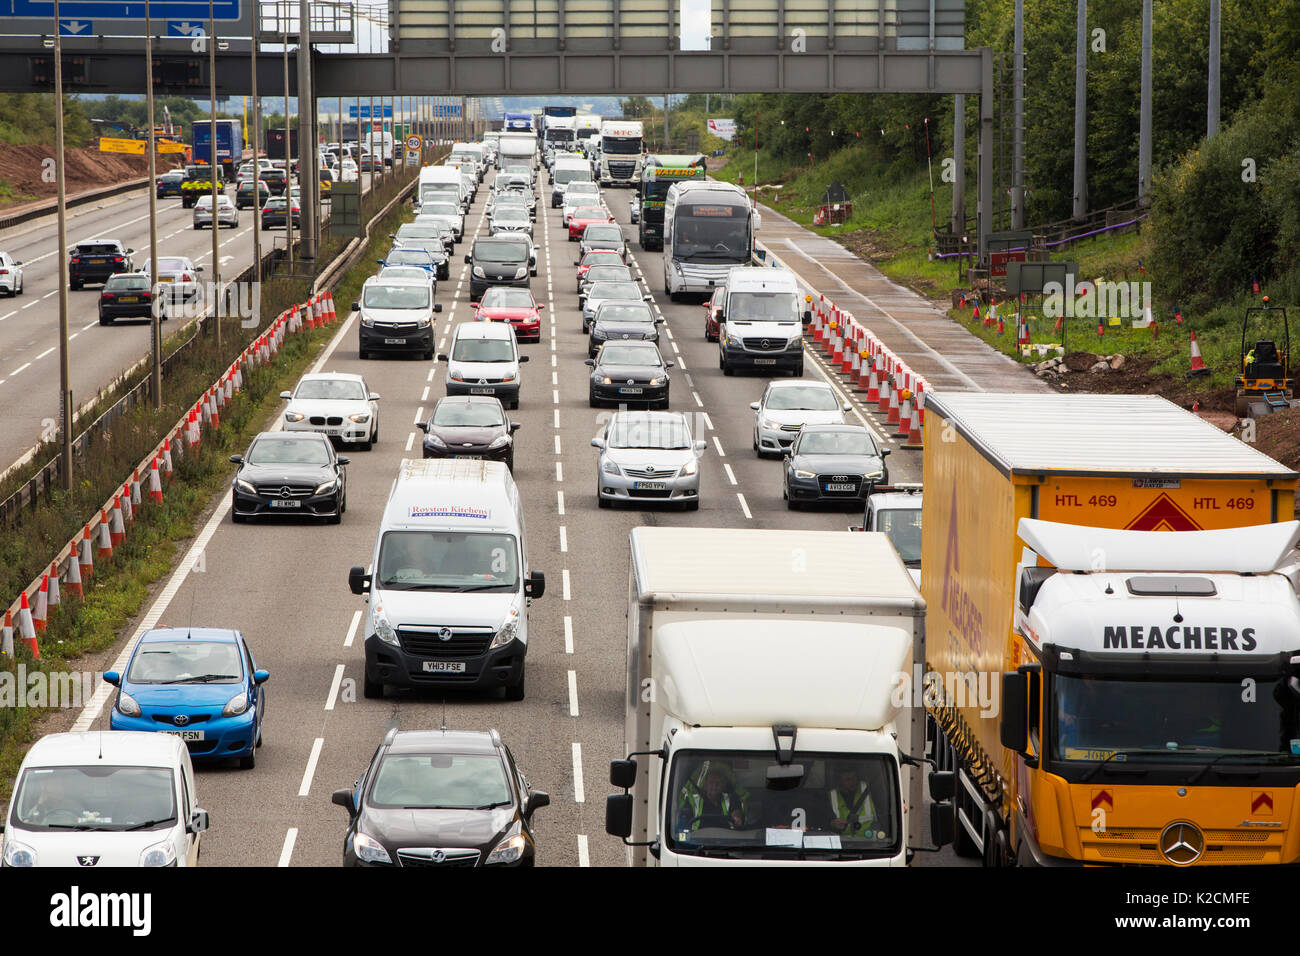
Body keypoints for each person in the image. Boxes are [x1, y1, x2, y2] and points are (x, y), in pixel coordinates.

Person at [677, 763, 746, 832]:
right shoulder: (692, 800)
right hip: (698, 839)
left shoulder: (731, 799)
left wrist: (737, 817)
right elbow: (684, 820)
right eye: (711, 782)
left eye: (718, 783)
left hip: (725, 838)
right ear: (705, 785)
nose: (714, 786)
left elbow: (736, 811)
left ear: (723, 786)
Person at [827, 764, 877, 838]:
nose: (852, 782)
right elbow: (824, 821)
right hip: (843, 844)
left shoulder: (869, 789)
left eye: (854, 777)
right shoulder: (831, 796)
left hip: (869, 842)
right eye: (847, 779)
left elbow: (882, 814)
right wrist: (832, 824)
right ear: (839, 781)